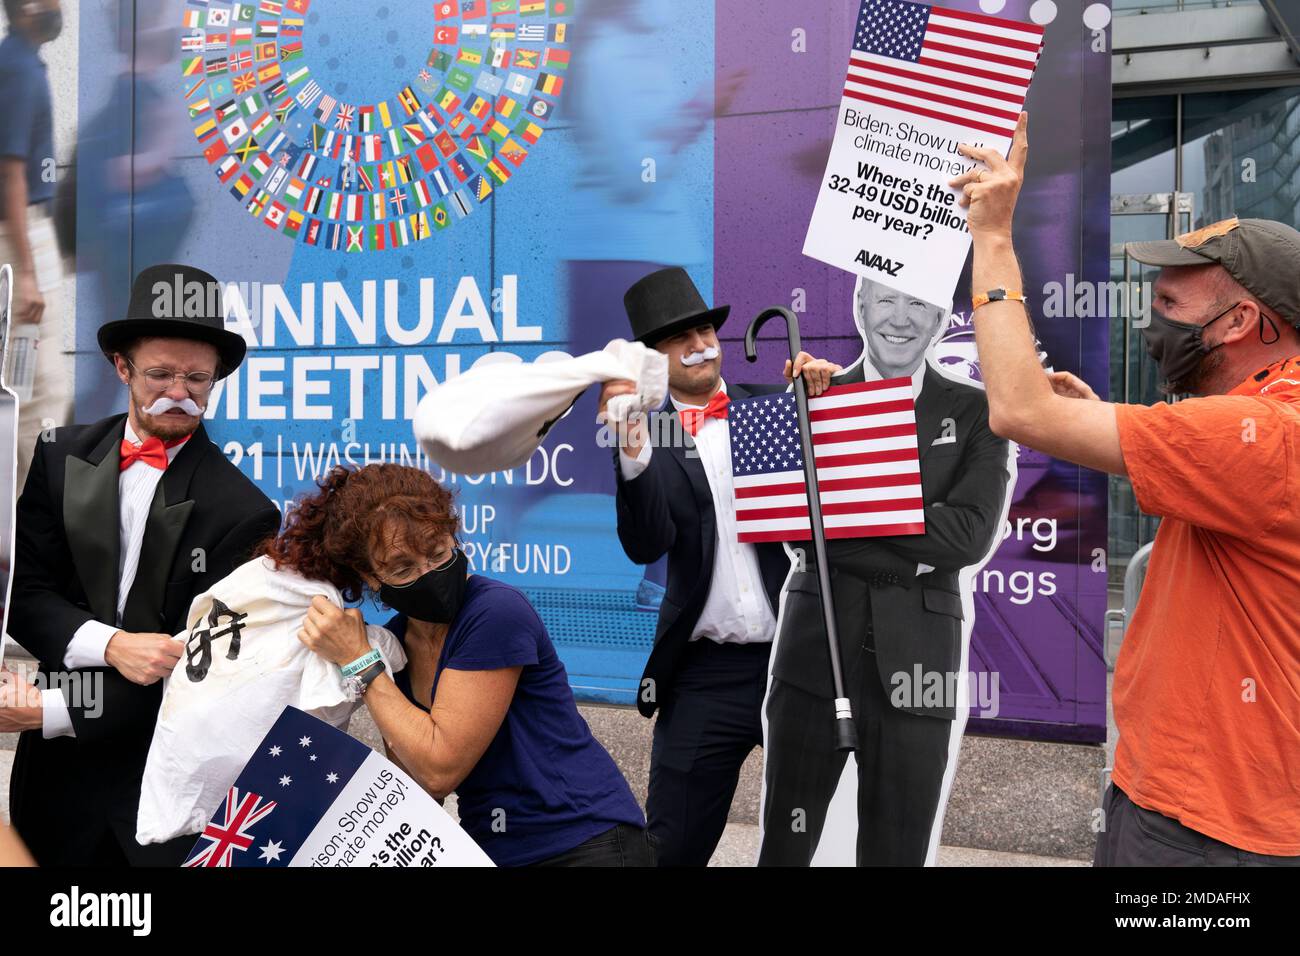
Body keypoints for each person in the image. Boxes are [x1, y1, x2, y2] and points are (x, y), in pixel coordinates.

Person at [958, 112, 1300, 865]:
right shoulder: (1265, 426)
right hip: (1208, 810)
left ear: (1244, 320)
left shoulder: (1264, 437)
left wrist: (992, 238)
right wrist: (1104, 424)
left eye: (1173, 309)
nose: (1154, 324)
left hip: (1207, 831)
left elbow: (1018, 408)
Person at [1, 263, 281, 866]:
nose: (178, 393)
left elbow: (206, 675)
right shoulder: (58, 456)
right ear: (121, 368)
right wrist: (110, 646)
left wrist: (49, 707)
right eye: (158, 374)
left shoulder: (246, 513)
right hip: (52, 793)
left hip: (160, 802)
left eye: (197, 379)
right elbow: (24, 593)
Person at [281, 463, 654, 867]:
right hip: (494, 850)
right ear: (370, 577)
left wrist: (361, 662)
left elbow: (441, 768)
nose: (430, 572)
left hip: (585, 842)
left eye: (438, 551)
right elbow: (420, 786)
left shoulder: (496, 613)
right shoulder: (393, 643)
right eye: (402, 567)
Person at [758, 278, 1012, 866]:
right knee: (785, 848)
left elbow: (969, 537)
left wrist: (851, 506)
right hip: (812, 661)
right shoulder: (810, 396)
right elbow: (799, 528)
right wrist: (921, 533)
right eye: (887, 300)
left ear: (942, 317)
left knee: (897, 853)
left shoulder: (976, 411)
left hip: (920, 670)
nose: (901, 318)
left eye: (918, 302)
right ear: (861, 307)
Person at [597, 266, 839, 866]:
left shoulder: (775, 409)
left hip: (799, 660)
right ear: (654, 359)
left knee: (817, 839)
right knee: (672, 847)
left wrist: (827, 400)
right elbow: (645, 541)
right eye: (679, 339)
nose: (700, 344)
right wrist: (630, 449)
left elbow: (837, 508)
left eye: (704, 329)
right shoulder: (645, 431)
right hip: (705, 674)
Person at [0, 0, 70, 492]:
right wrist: (26, 272)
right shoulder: (18, 66)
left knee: (29, 396)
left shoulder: (20, 61)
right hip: (19, 236)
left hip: (22, 235)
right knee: (39, 398)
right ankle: (26, 540)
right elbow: (9, 171)